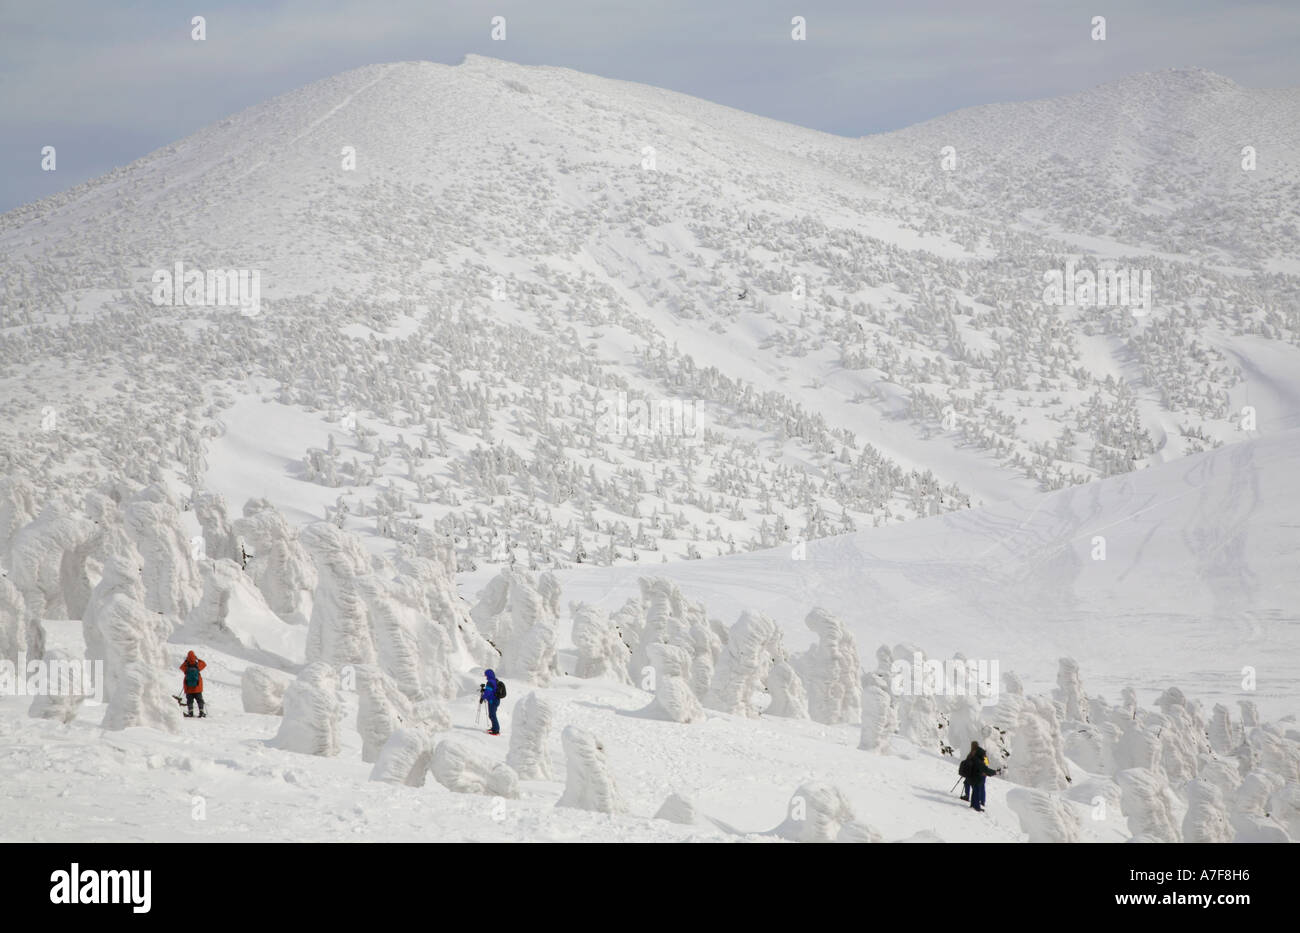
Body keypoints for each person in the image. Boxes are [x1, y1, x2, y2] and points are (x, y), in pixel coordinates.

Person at [961, 741, 1000, 811]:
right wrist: (994, 772)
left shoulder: (972, 754)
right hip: (979, 775)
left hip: (971, 775)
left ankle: (971, 799)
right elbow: (986, 766)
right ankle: (980, 803)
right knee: (979, 789)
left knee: (975, 789)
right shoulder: (980, 755)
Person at [180, 650, 207, 718]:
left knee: (189, 701)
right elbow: (204, 664)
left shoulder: (186, 665)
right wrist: (197, 659)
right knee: (199, 700)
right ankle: (201, 712)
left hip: (188, 687)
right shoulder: (197, 665)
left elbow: (181, 667)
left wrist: (186, 661)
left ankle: (191, 712)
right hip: (197, 687)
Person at [479, 668, 504, 735]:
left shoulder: (490, 682)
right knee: (492, 715)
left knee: (492, 715)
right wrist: (484, 690)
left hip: (493, 701)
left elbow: (488, 692)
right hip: (495, 700)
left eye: (486, 675)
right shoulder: (494, 680)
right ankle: (494, 728)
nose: (485, 676)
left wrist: (482, 697)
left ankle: (496, 730)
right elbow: (492, 690)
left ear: (489, 675)